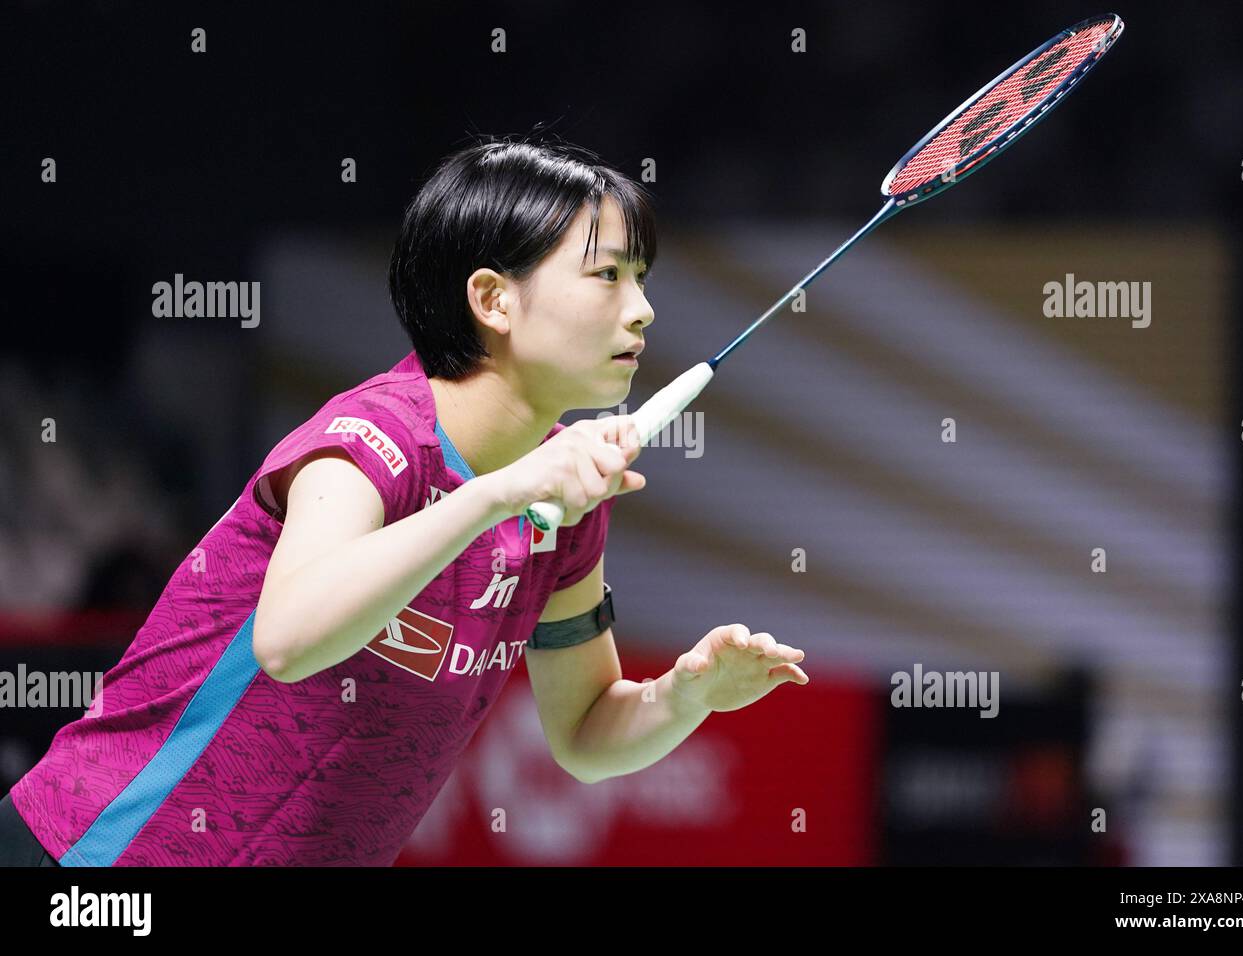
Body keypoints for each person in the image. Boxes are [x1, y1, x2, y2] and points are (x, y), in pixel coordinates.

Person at [0, 135, 808, 866]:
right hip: (100, 862)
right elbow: (290, 638)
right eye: (608, 274)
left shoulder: (562, 500)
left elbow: (587, 732)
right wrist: (500, 493)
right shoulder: (372, 441)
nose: (642, 307)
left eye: (642, 277)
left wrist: (686, 694)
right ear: (492, 300)